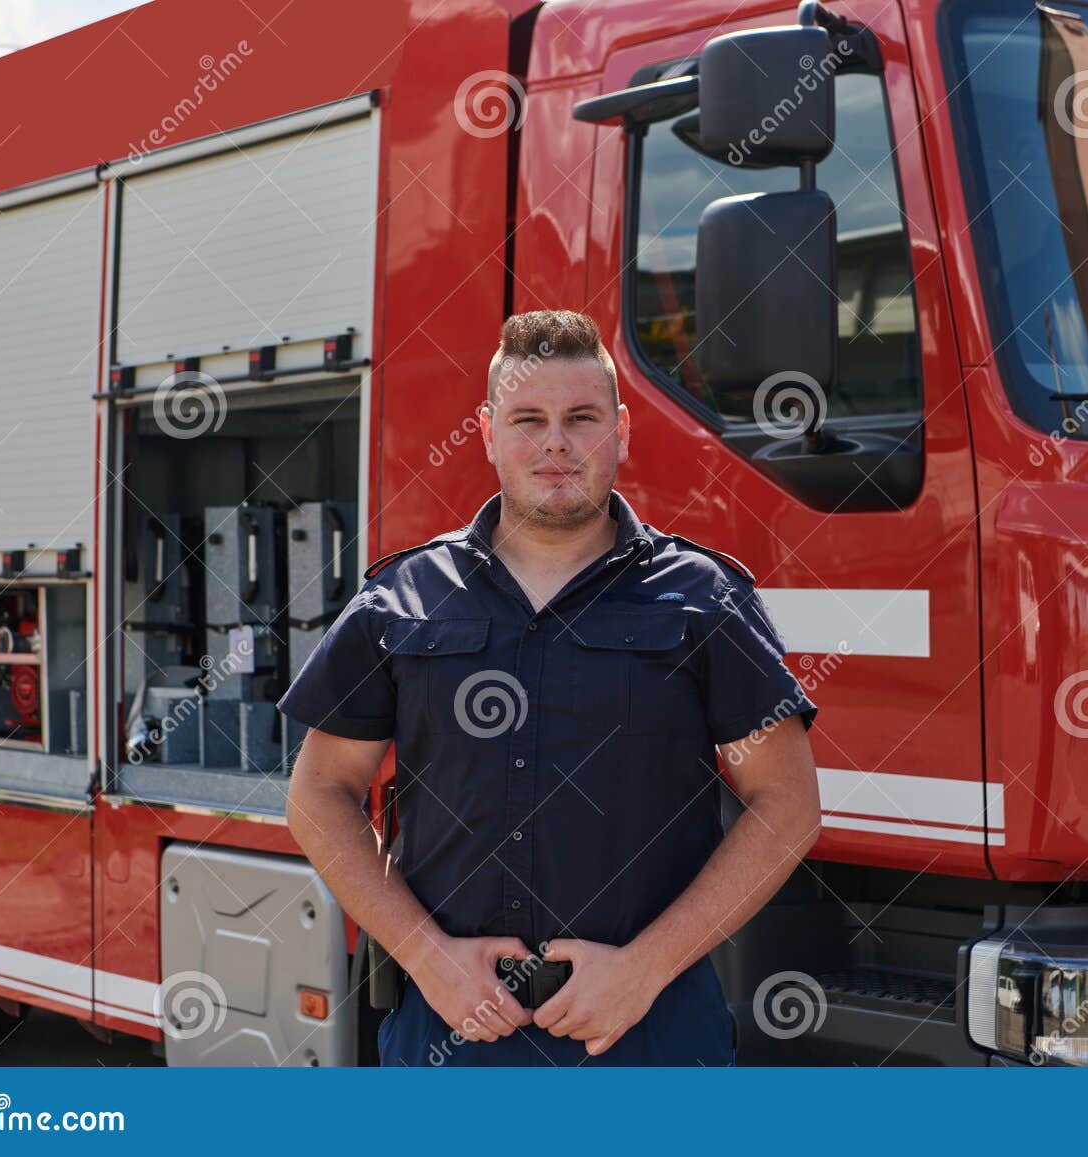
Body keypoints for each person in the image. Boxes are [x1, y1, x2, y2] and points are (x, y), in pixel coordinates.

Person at [279, 309, 821, 1066]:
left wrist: (644, 970)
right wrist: (426, 955)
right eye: (529, 418)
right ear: (488, 432)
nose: (557, 442)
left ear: (622, 430)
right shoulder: (400, 599)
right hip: (455, 1047)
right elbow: (318, 792)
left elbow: (788, 803)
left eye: (582, 417)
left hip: (651, 1048)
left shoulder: (704, 599)